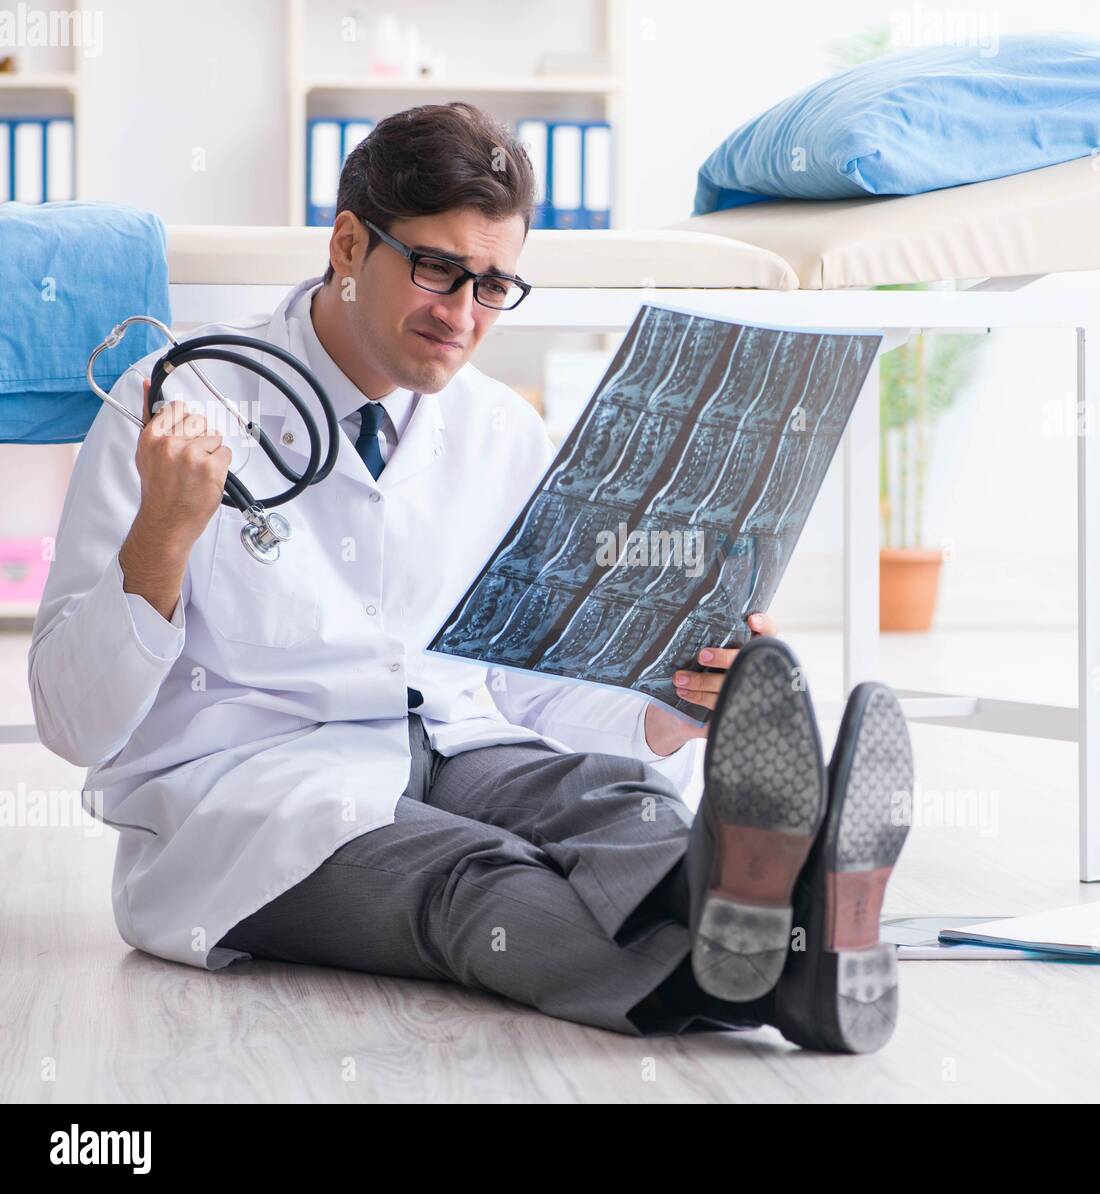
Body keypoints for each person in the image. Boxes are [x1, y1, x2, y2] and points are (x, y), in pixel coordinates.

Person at [28, 102, 914, 1052]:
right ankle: (793, 955)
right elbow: (75, 726)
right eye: (438, 270)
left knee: (623, 802)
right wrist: (162, 532)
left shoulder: (502, 431)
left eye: (493, 286)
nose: (461, 315)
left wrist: (675, 701)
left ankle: (766, 934)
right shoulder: (174, 403)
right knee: (481, 882)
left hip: (462, 744)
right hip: (253, 794)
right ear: (346, 244)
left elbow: (529, 688)